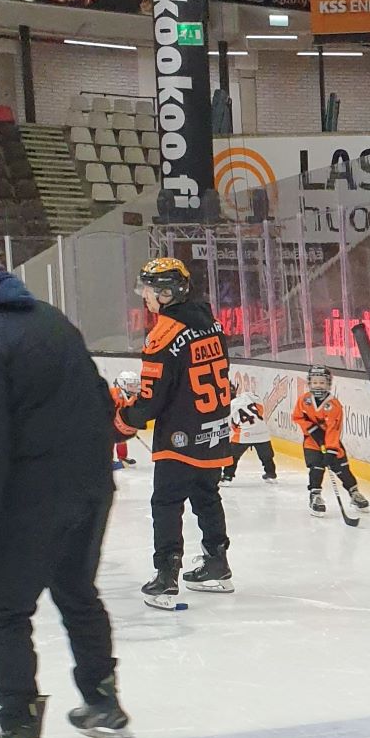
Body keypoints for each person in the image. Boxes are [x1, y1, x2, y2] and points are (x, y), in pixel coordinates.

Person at [0, 263, 131, 738]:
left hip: (31, 499)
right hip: (92, 487)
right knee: (76, 591)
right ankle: (102, 701)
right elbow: (100, 401)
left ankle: (18, 734)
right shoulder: (53, 320)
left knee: (3, 611)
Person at [117, 256, 233, 610]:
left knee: (166, 502)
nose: (145, 297)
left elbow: (151, 402)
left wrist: (123, 419)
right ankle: (217, 564)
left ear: (167, 293)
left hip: (180, 436)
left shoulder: (164, 334)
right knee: (207, 496)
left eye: (149, 290)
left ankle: (166, 576)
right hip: (213, 429)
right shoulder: (211, 323)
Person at [292, 365, 370, 517]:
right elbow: (297, 417)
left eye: (321, 382)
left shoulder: (334, 405)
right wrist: (312, 429)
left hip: (331, 444)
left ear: (328, 383)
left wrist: (330, 450)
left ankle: (354, 493)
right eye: (315, 382)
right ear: (309, 383)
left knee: (343, 469)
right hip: (311, 443)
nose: (318, 385)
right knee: (316, 468)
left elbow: (333, 429)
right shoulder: (304, 400)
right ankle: (315, 496)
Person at [223, 370, 277, 481]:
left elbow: (229, 425)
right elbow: (260, 406)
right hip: (262, 431)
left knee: (232, 456)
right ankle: (271, 474)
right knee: (267, 457)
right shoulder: (247, 395)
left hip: (244, 434)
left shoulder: (228, 406)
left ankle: (228, 476)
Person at [109, 367, 139, 469]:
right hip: (107, 420)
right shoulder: (113, 393)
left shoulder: (134, 397)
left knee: (121, 438)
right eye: (131, 385)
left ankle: (122, 457)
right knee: (109, 437)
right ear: (123, 384)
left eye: (135, 385)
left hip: (118, 420)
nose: (134, 388)